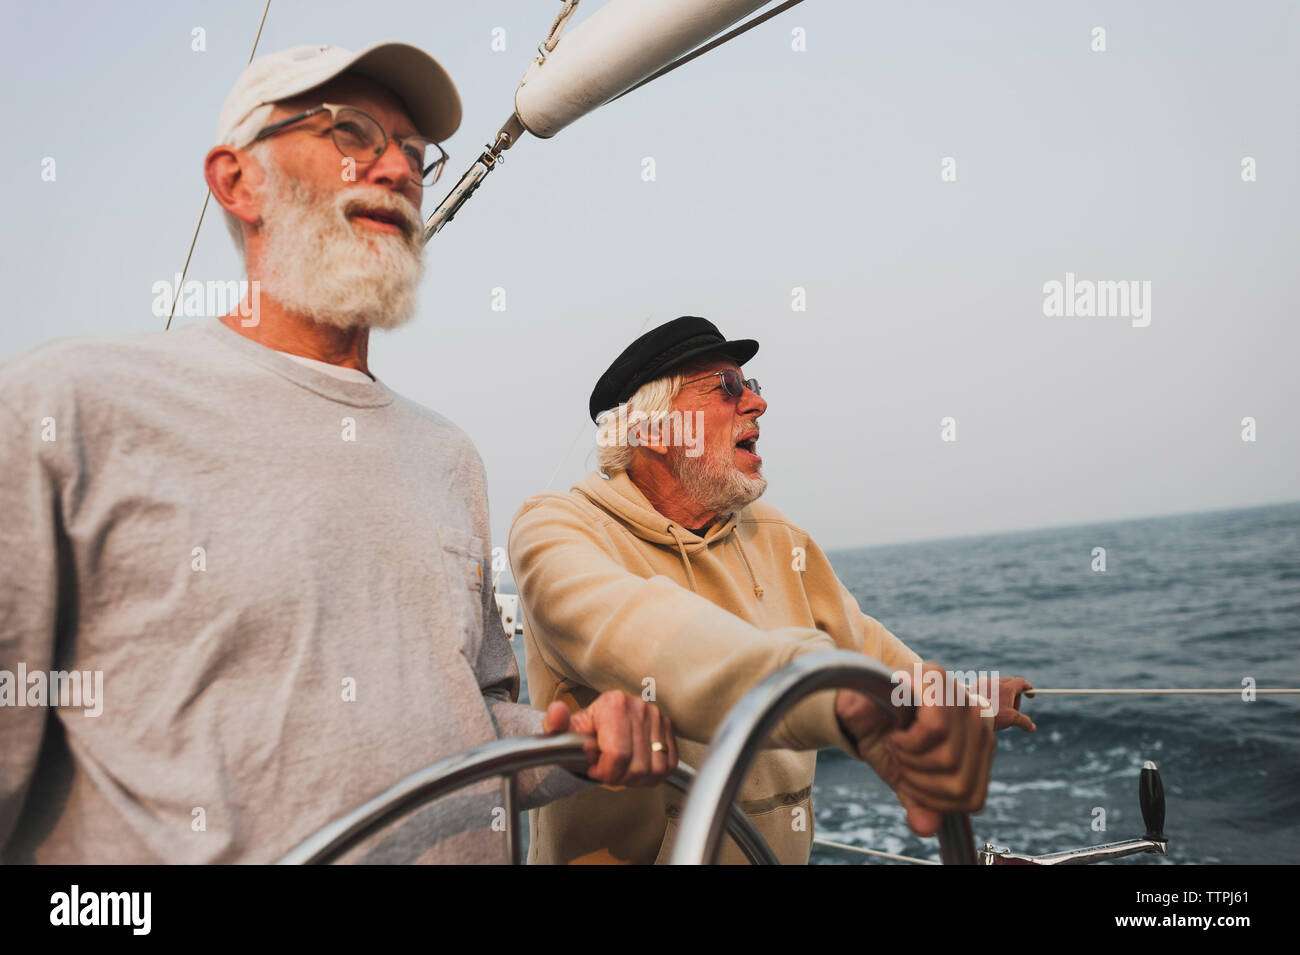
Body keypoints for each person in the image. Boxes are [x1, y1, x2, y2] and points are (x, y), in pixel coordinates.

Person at [0, 42, 676, 865]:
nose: (396, 169)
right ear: (235, 179)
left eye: (415, 155)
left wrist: (570, 742)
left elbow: (465, 721)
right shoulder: (67, 406)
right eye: (351, 131)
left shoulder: (448, 455)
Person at [509, 316, 1035, 864]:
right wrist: (834, 696)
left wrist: (958, 701)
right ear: (654, 430)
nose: (757, 404)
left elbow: (863, 645)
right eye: (729, 388)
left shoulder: (777, 535)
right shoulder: (556, 528)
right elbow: (642, 631)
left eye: (753, 386)